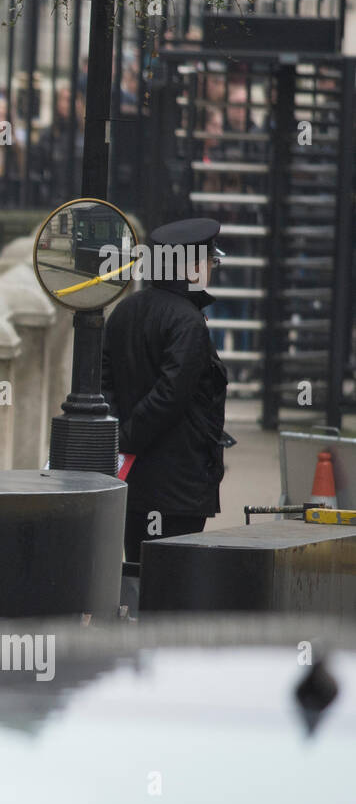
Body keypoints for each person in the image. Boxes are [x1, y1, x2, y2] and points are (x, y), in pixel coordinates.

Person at [102, 217, 230, 564]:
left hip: (131, 478)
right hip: (177, 483)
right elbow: (170, 396)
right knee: (170, 581)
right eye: (209, 263)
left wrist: (119, 443)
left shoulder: (125, 310)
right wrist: (128, 438)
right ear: (190, 270)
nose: (211, 269)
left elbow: (104, 383)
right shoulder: (188, 321)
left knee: (136, 570)